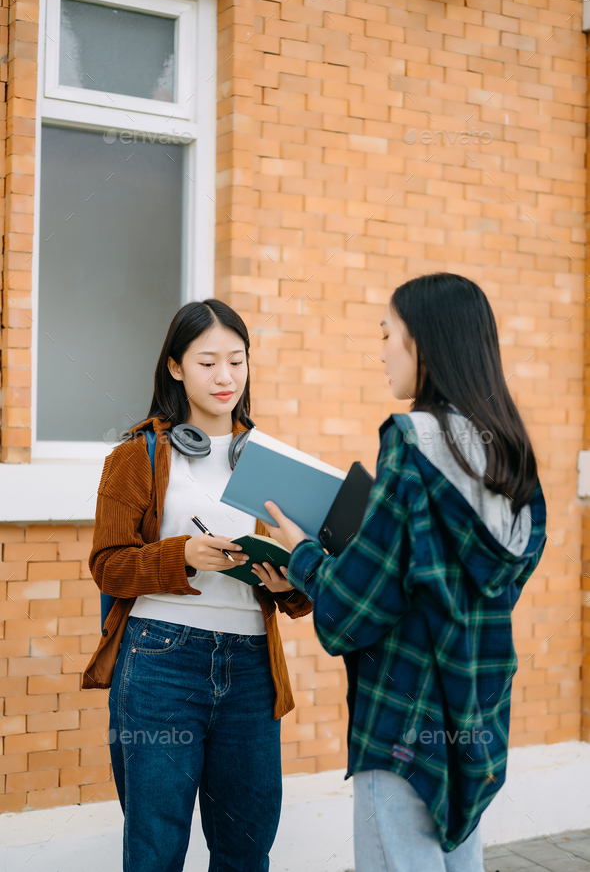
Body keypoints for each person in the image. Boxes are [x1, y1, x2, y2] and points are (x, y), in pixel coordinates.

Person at [252, 272, 547, 872]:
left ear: (424, 342)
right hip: (476, 714)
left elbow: (352, 608)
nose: (382, 350)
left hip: (404, 716)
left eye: (388, 333)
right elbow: (470, 585)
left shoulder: (412, 444)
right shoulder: (508, 453)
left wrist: (303, 553)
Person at [81, 299, 312, 872]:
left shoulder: (272, 463)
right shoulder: (135, 456)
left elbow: (302, 592)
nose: (225, 376)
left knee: (246, 848)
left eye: (237, 360)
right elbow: (108, 565)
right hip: (160, 661)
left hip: (252, 668)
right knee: (156, 849)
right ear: (175, 367)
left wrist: (287, 581)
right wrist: (180, 555)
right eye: (207, 363)